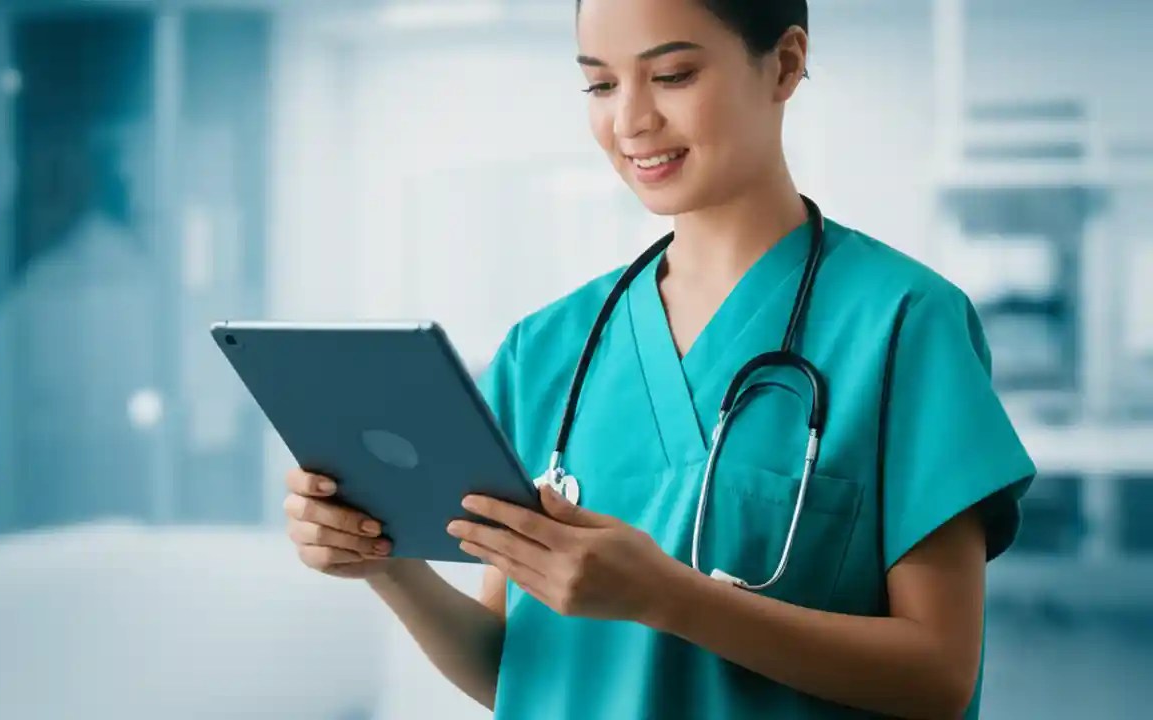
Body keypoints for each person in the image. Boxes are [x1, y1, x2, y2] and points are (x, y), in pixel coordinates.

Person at [281, 0, 1037, 717]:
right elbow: (516, 673)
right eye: (601, 83)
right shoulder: (544, 352)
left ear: (784, 66)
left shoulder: (903, 323)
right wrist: (388, 567)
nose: (631, 120)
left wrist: (669, 598)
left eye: (672, 75)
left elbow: (938, 674)